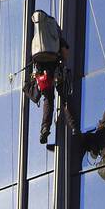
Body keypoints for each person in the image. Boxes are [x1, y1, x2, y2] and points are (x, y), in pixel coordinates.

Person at [25, 10, 76, 148]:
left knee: (48, 100)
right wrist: (62, 60)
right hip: (57, 70)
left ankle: (44, 129)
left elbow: (32, 59)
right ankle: (73, 126)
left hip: (44, 74)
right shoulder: (56, 35)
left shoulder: (36, 38)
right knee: (64, 97)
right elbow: (65, 52)